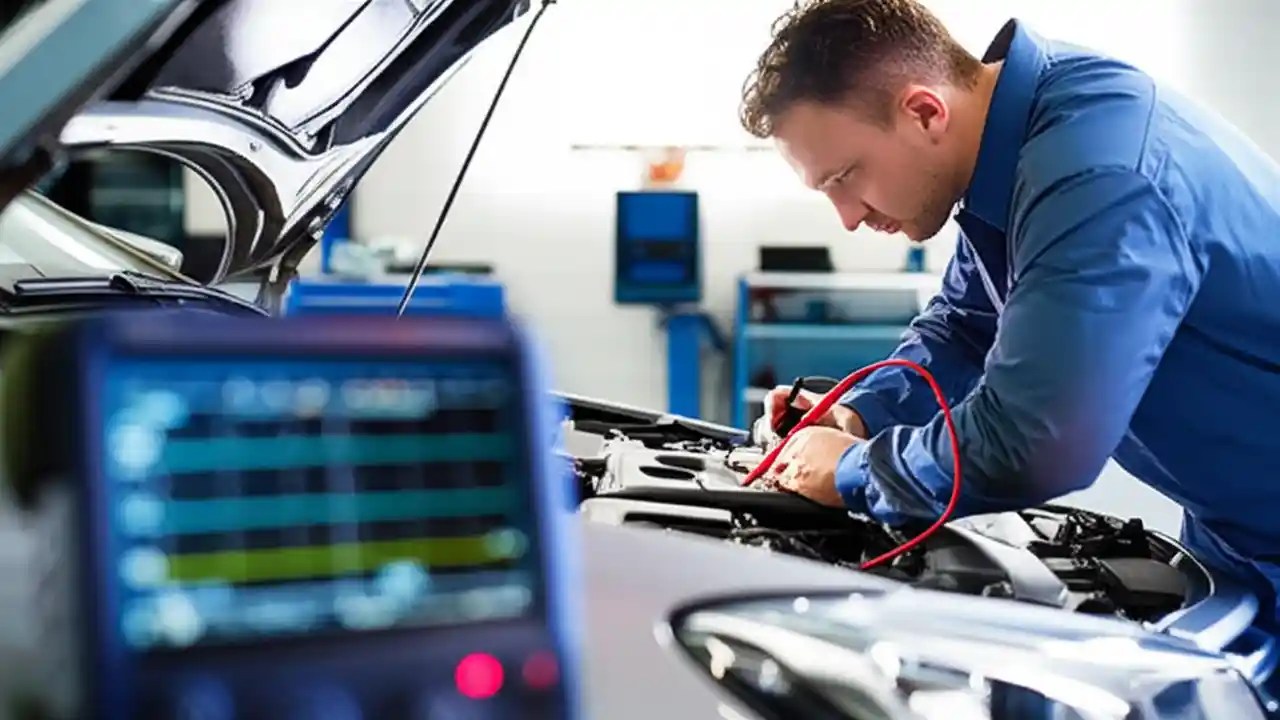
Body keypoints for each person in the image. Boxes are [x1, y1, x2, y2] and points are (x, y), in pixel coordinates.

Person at [739, 0, 1280, 638]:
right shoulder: (1021, 139)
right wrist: (858, 414)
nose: (849, 218)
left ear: (923, 112)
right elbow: (967, 325)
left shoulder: (1095, 175)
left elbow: (1037, 440)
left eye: (846, 177)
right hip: (1237, 536)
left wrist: (854, 470)